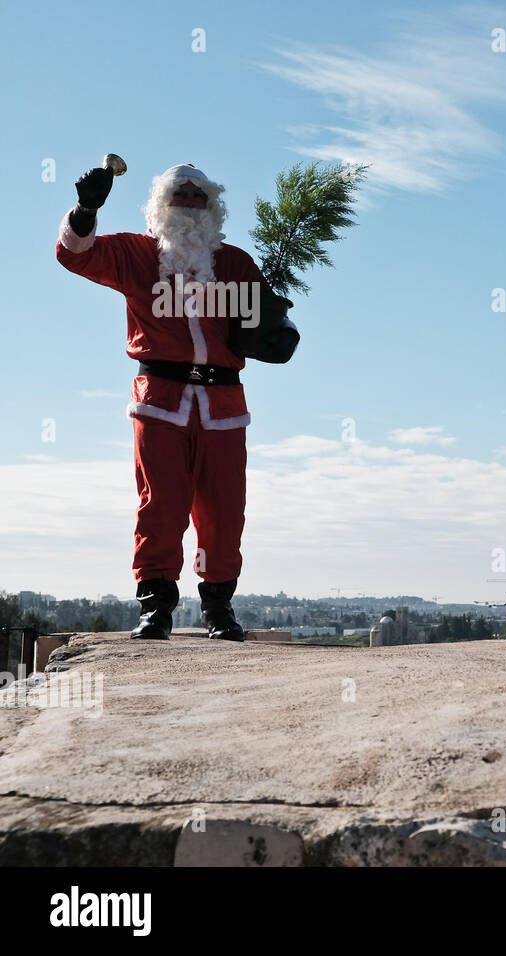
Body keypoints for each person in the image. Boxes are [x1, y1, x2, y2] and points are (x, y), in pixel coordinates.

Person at [55, 162, 289, 641]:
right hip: (160, 401)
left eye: (197, 195)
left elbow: (262, 325)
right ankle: (156, 607)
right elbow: (76, 255)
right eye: (177, 195)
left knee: (225, 509)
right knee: (161, 504)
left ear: (213, 207)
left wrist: (278, 324)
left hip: (223, 405)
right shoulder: (135, 254)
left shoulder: (237, 263)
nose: (188, 201)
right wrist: (85, 209)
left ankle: (219, 609)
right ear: (160, 205)